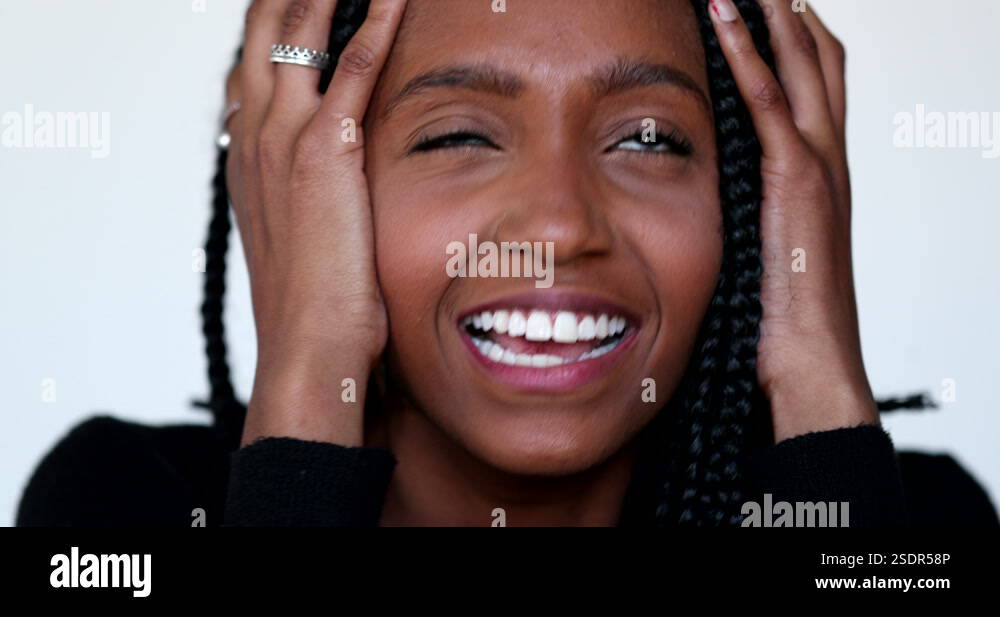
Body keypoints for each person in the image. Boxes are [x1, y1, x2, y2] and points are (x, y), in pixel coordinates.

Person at [16, 0, 999, 527]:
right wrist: (309, 380)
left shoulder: (902, 518)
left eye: (649, 138)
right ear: (301, 186)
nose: (561, 224)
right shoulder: (123, 505)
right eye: (457, 136)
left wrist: (821, 379)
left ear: (758, 196)